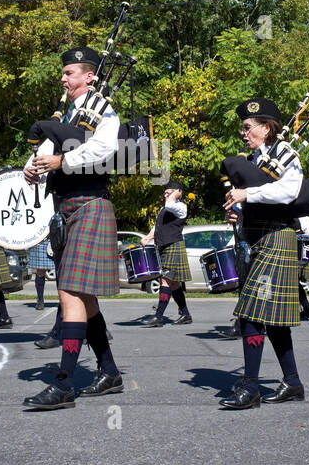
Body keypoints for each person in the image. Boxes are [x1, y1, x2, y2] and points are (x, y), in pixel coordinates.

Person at [21, 47, 123, 410]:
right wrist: (32, 169)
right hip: (64, 209)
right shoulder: (66, 115)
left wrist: (61, 160)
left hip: (91, 204)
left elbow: (106, 150)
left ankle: (63, 383)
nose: (63, 79)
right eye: (63, 73)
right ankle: (109, 371)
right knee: (85, 299)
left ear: (89, 77)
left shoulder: (103, 111)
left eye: (69, 73)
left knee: (70, 293)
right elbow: (43, 155)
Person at [216, 98, 307, 408]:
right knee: (275, 319)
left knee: (251, 312)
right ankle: (293, 382)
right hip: (256, 236)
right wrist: (238, 210)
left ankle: (250, 386)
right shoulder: (255, 161)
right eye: (242, 128)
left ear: (266, 128)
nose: (243, 133)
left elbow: (288, 192)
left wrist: (247, 193)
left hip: (277, 237)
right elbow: (253, 200)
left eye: (248, 127)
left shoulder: (287, 155)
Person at [135, 181, 193, 327]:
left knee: (165, 280)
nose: (166, 194)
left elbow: (170, 205)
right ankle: (185, 314)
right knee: (173, 284)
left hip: (173, 245)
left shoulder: (180, 206)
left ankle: (159, 317)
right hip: (164, 246)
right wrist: (147, 238)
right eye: (165, 192)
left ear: (179, 192)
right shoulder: (164, 209)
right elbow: (157, 227)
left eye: (170, 192)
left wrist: (172, 195)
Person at [26, 239, 54, 311]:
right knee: (40, 271)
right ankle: (40, 300)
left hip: (56, 237)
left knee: (60, 271)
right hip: (40, 240)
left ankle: (63, 301)